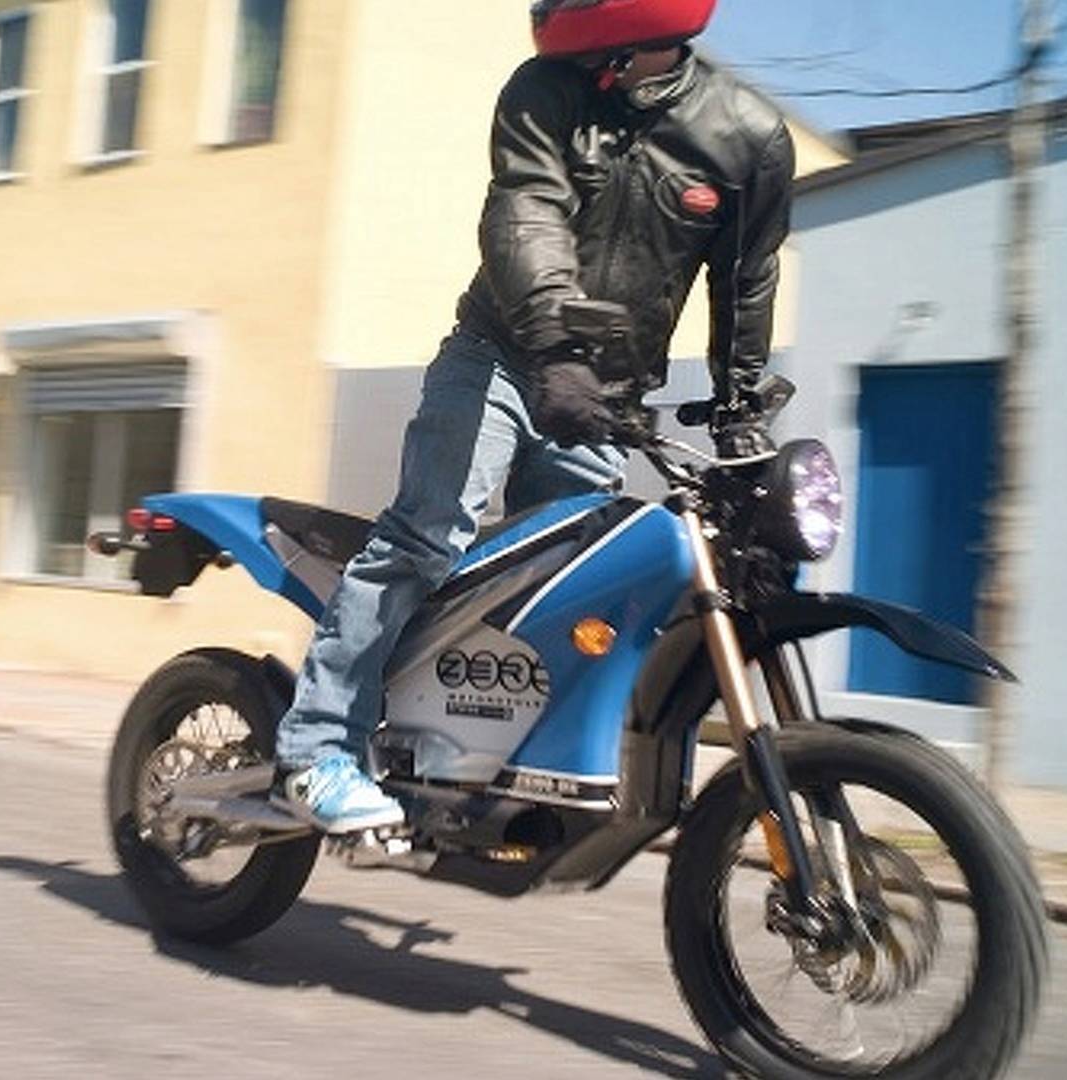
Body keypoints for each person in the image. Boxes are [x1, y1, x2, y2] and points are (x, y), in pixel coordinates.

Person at [274, 0, 795, 832]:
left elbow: (747, 279)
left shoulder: (746, 135)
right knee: (428, 535)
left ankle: (505, 766)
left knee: (582, 585)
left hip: (611, 397)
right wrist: (554, 345)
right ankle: (317, 749)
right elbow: (524, 213)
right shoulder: (546, 90)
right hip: (504, 358)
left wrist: (739, 409)